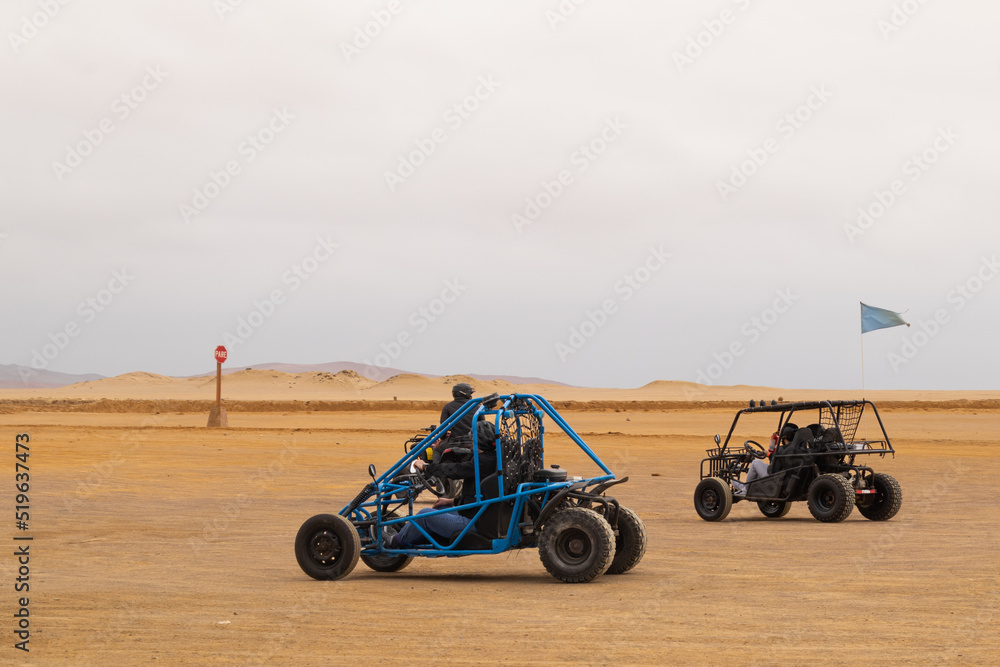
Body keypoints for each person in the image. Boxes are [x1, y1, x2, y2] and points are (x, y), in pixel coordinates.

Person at [390, 420, 499, 547]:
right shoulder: (496, 460)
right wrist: (452, 501)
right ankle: (417, 539)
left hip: (474, 522)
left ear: (477, 441)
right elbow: (476, 497)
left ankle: (393, 543)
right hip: (482, 516)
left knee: (424, 515)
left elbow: (455, 470)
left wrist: (426, 467)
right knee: (440, 507)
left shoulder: (481, 462)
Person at [732, 423, 798, 495]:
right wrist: (770, 455)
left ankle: (746, 489)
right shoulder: (798, 449)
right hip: (788, 481)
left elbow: (772, 469)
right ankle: (747, 487)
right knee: (762, 466)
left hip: (776, 482)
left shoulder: (782, 450)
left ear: (784, 436)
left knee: (755, 463)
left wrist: (770, 456)